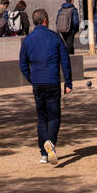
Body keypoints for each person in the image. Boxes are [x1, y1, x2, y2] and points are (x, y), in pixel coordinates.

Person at [18, 8, 72, 165]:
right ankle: (50, 143)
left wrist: (31, 78)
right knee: (55, 117)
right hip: (52, 81)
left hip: (38, 82)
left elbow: (22, 64)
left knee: (42, 117)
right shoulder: (55, 38)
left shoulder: (28, 40)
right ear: (46, 21)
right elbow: (65, 61)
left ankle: (43, 153)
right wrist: (68, 82)